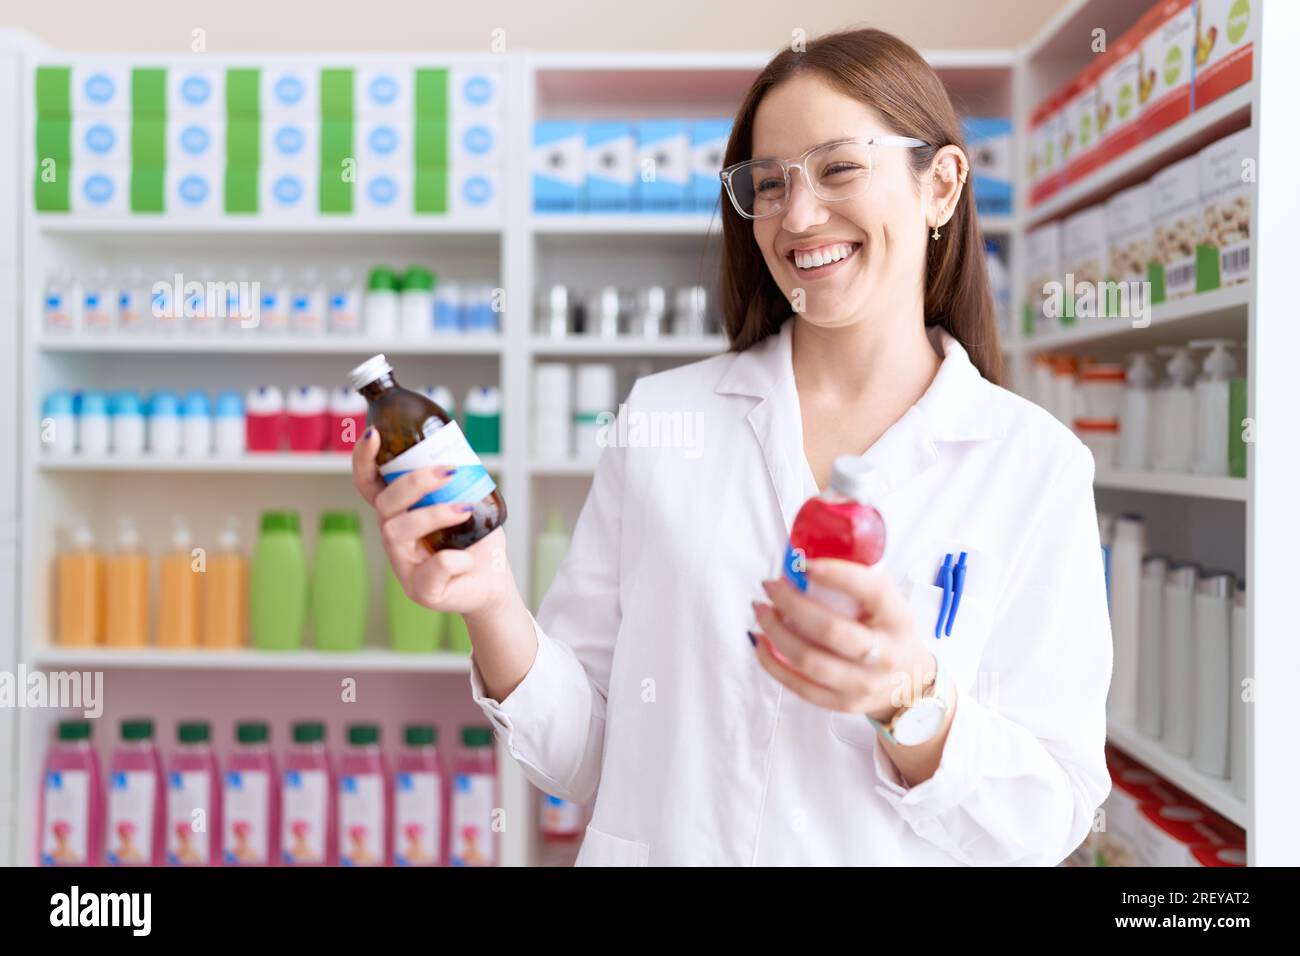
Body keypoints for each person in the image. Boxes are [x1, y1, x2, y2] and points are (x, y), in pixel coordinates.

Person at [352, 27, 1112, 866]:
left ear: (941, 185)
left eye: (839, 167)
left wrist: (911, 701)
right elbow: (590, 754)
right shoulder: (663, 421)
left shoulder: (1032, 466)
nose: (800, 215)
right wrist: (490, 598)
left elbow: (1051, 816)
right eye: (770, 183)